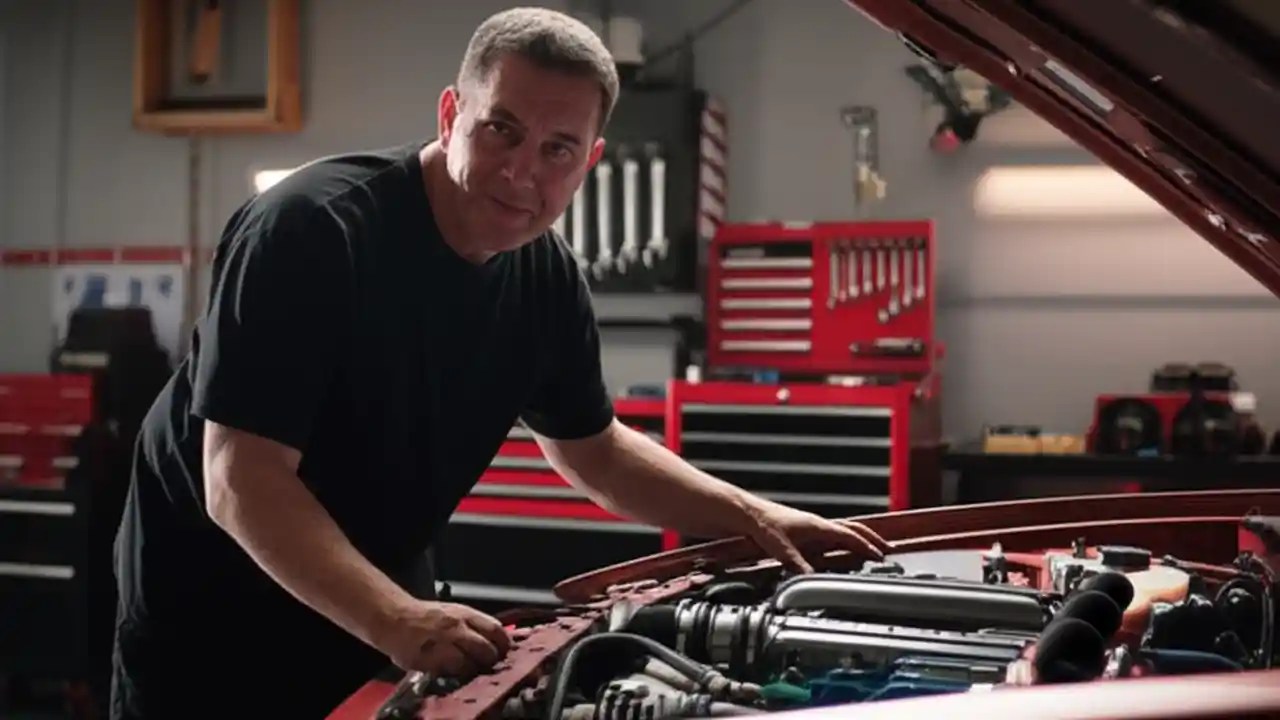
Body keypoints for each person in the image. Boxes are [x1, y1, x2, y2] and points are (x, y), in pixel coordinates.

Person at [109, 7, 888, 719]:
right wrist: (395, 618)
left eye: (557, 150)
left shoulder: (545, 277)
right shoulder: (311, 231)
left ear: (589, 161)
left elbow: (596, 451)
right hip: (217, 618)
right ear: (451, 114)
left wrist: (755, 516)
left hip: (376, 599)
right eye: (501, 131)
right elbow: (240, 480)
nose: (522, 173)